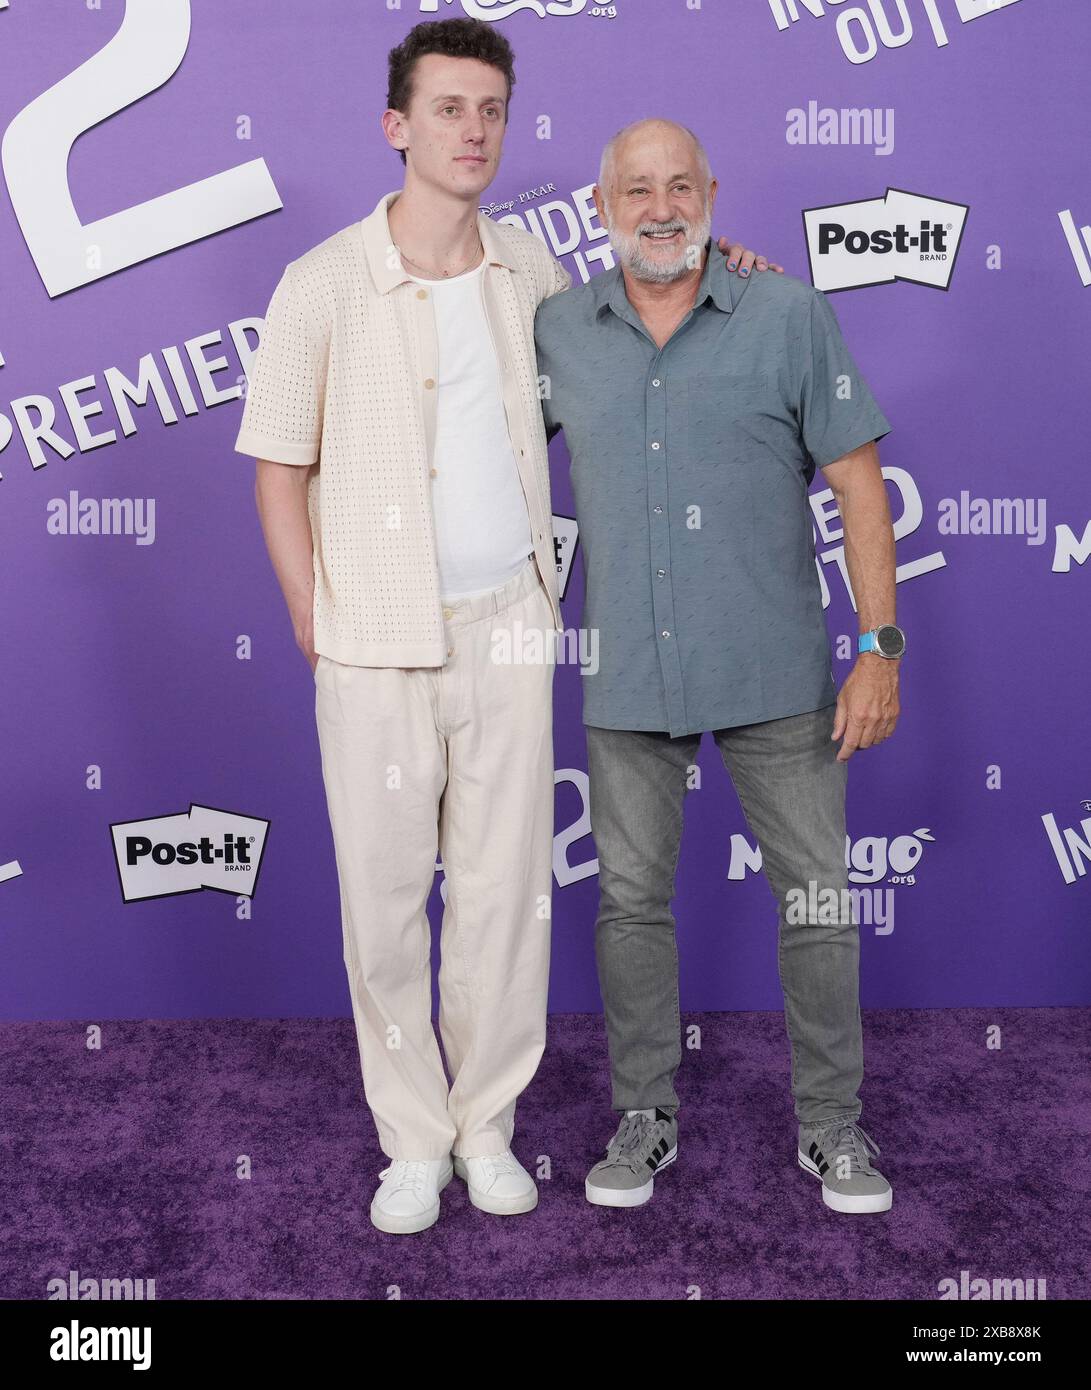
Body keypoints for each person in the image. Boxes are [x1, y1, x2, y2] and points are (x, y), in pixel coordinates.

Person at [234, 22, 771, 1234]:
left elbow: (647, 323)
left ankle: (487, 1128)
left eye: (490, 110)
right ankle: (411, 1142)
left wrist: (714, 264)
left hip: (510, 632)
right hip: (369, 642)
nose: (473, 131)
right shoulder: (319, 281)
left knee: (501, 895)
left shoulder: (530, 271)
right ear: (397, 125)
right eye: (447, 109)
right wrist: (317, 627)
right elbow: (276, 470)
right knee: (380, 905)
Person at [534, 118, 902, 1215]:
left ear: (710, 194)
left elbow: (857, 485)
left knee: (820, 901)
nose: (659, 206)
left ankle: (832, 1126)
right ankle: (642, 1112)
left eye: (679, 186)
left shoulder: (786, 312)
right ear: (601, 208)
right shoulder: (553, 327)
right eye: (635, 188)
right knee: (631, 907)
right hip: (628, 683)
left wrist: (878, 647)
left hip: (776, 672)